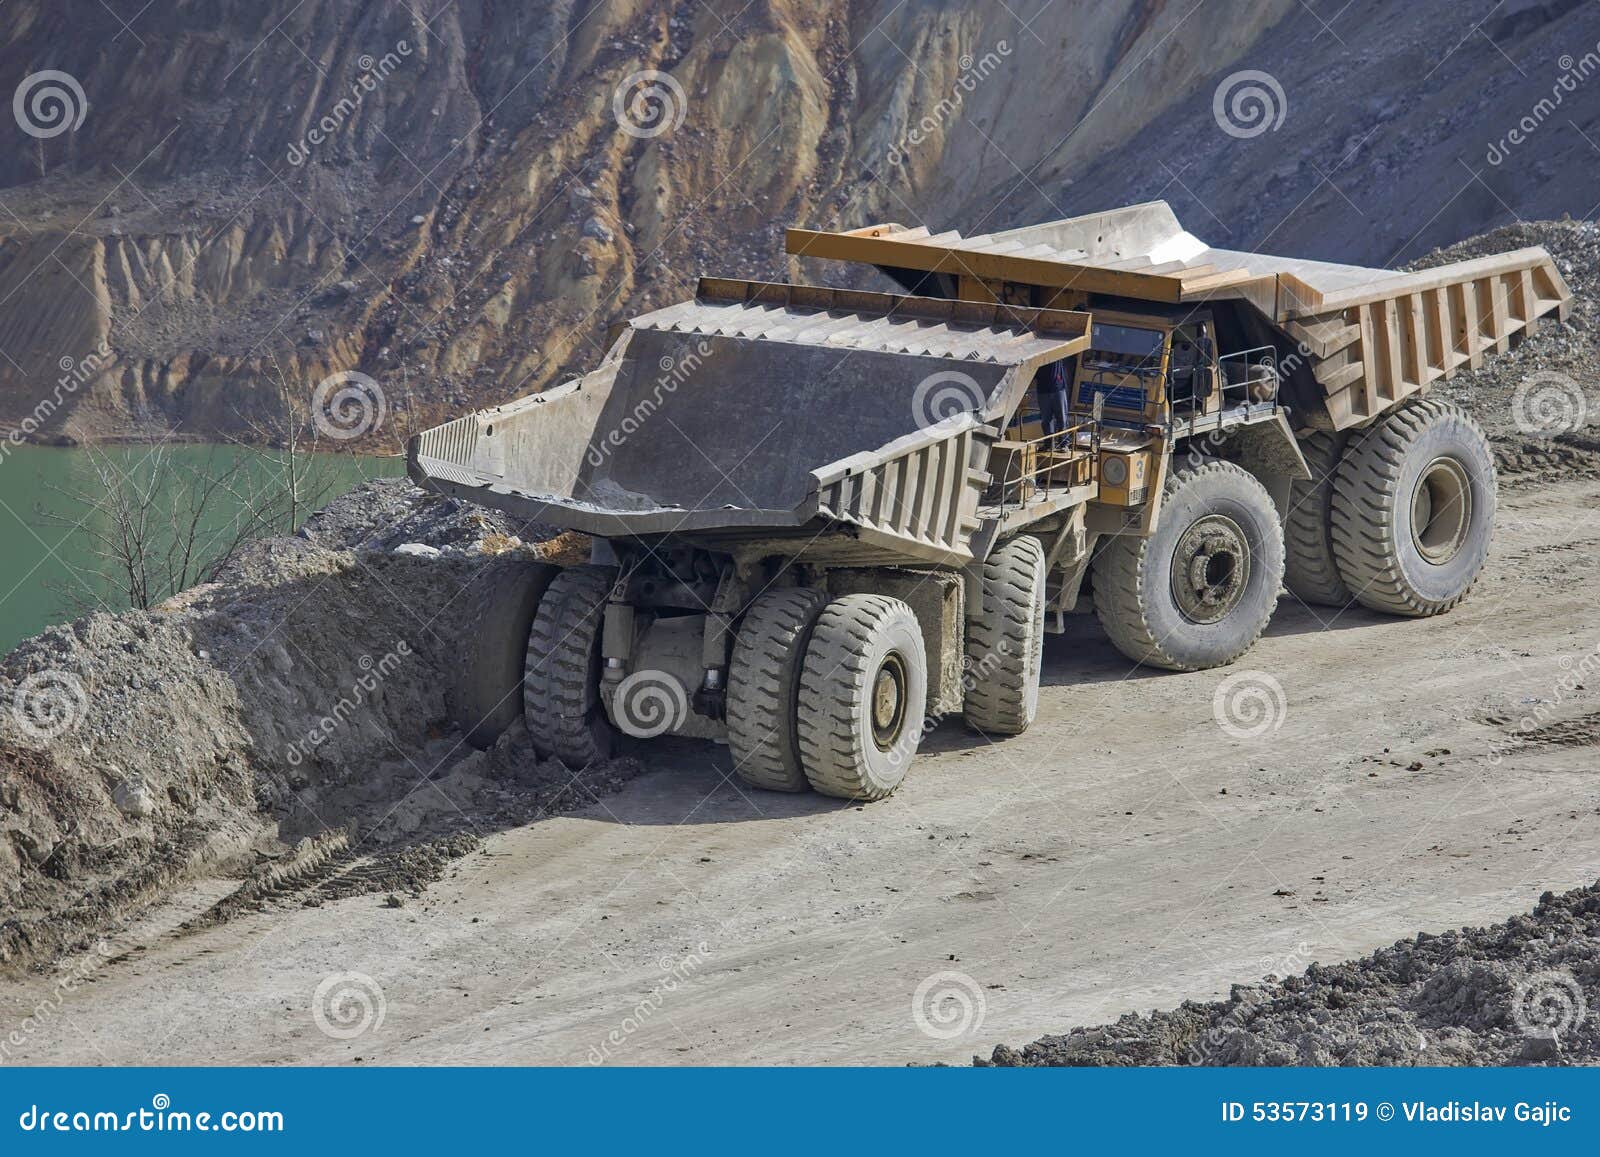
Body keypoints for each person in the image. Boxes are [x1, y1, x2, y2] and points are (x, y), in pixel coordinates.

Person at [1036, 356, 1072, 443]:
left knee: (1062, 418)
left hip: (1058, 388)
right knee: (1046, 420)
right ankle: (1048, 444)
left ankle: (1064, 443)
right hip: (1042, 390)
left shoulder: (1056, 352)